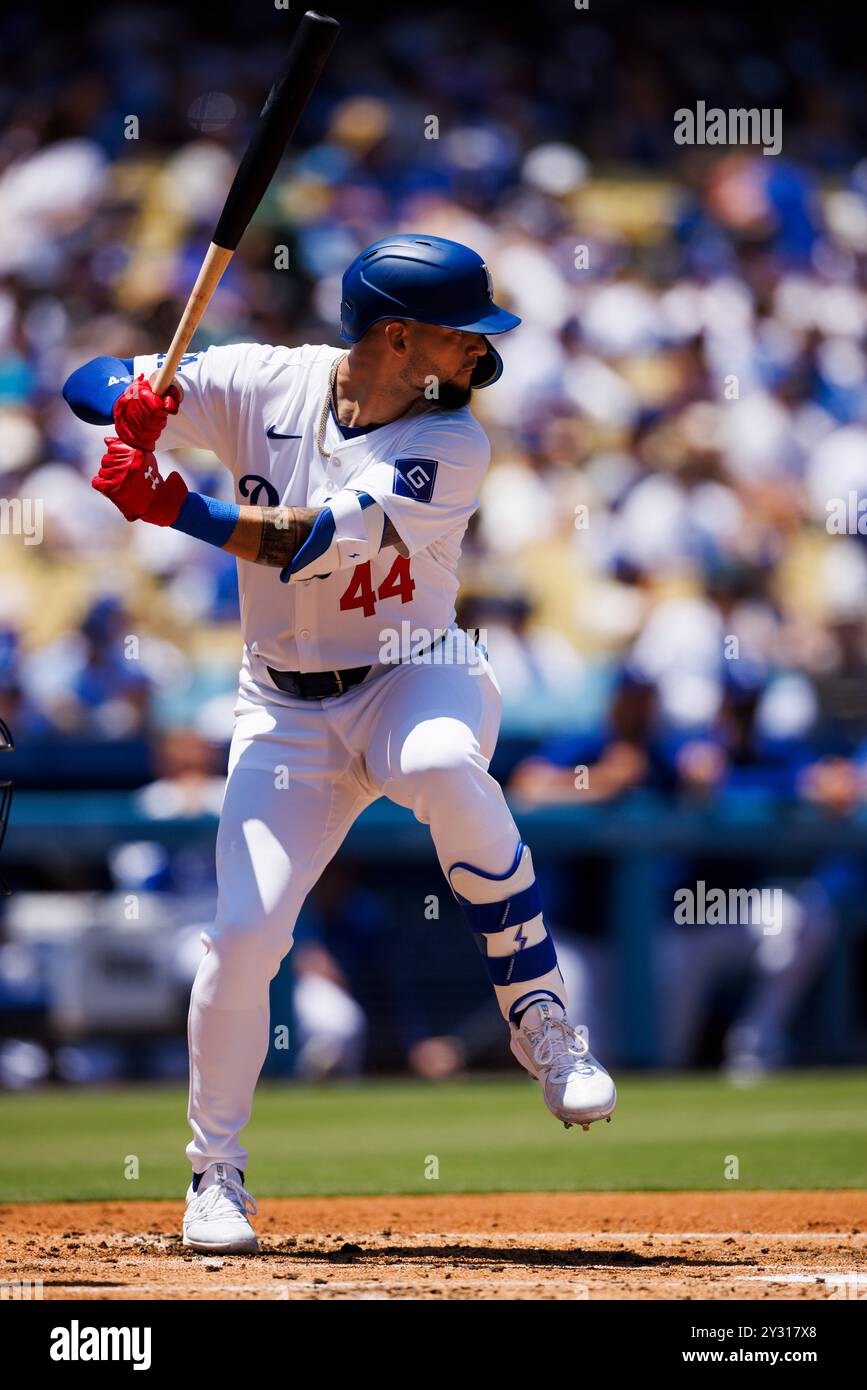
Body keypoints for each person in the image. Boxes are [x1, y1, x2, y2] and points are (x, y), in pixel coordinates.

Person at [63, 235, 616, 1255]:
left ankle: (540, 1015)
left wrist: (170, 502)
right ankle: (214, 1174)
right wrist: (130, 401)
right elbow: (81, 378)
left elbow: (312, 542)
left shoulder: (455, 444)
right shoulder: (259, 380)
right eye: (463, 336)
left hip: (418, 671)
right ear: (397, 337)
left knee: (446, 763)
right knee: (243, 936)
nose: (482, 357)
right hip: (282, 710)